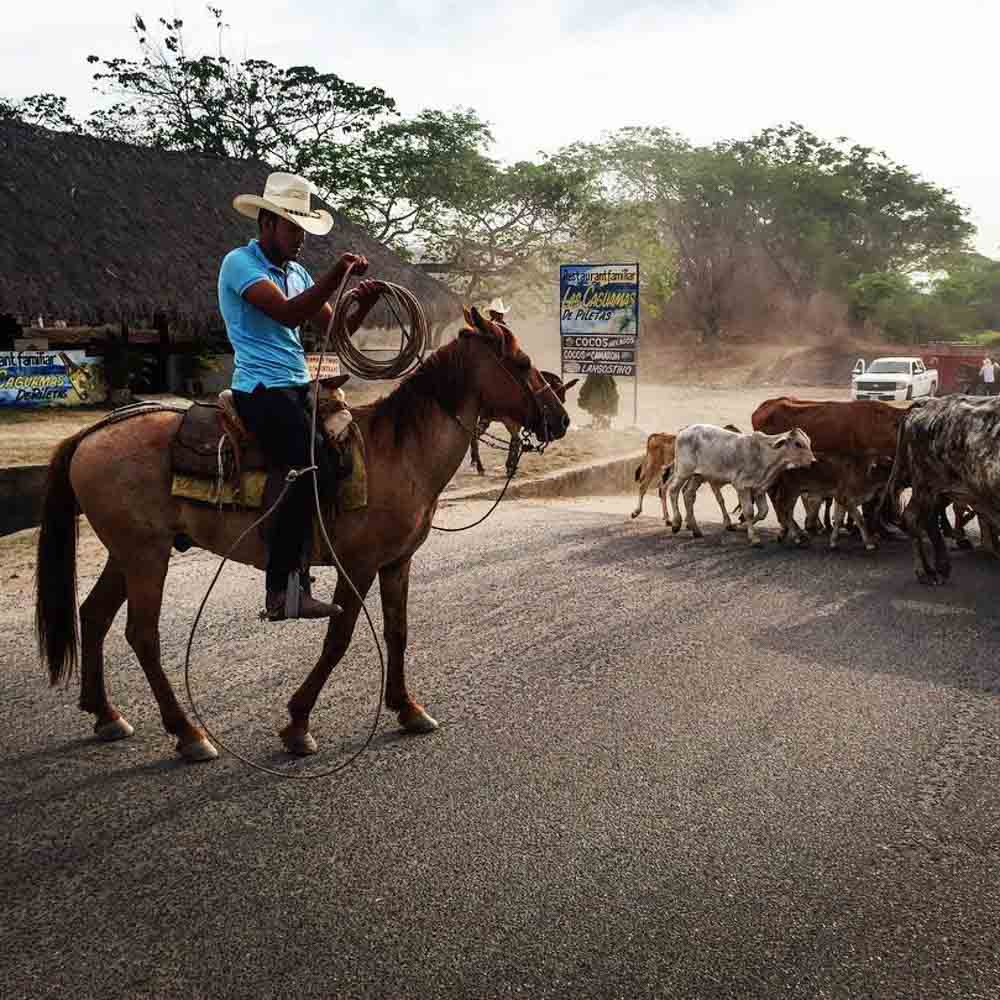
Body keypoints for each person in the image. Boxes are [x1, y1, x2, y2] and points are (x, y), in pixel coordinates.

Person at [219, 171, 381, 621]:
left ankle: (320, 557)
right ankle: (281, 590)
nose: (300, 240)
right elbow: (290, 314)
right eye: (294, 229)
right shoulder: (240, 264)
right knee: (307, 465)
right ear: (267, 222)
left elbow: (333, 328)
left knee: (346, 454)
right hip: (260, 388)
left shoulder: (297, 272)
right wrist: (335, 275)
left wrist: (360, 300)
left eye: (304, 230)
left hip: (297, 386)